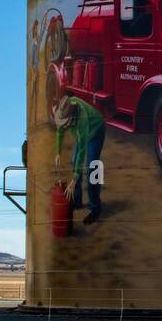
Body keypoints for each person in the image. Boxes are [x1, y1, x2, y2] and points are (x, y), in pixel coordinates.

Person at [55, 93, 106, 225]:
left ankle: (95, 207)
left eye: (66, 124)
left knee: (93, 168)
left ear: (71, 119)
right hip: (83, 134)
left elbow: (82, 151)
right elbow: (60, 130)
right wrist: (58, 153)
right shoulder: (65, 108)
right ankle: (77, 201)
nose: (64, 126)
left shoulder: (81, 121)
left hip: (96, 130)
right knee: (74, 162)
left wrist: (74, 178)